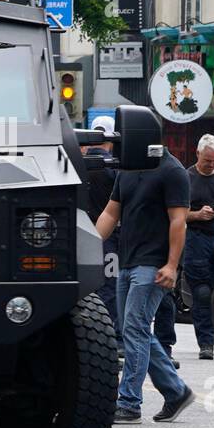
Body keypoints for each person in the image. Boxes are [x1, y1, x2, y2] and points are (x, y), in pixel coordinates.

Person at [95, 148, 196, 424]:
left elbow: (179, 221)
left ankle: (129, 403)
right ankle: (176, 392)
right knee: (135, 330)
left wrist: (172, 265)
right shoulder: (127, 169)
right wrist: (88, 247)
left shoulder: (172, 170)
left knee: (134, 328)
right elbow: (110, 213)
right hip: (127, 262)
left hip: (154, 264)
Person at [184, 134, 214, 360]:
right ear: (198, 154)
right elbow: (176, 214)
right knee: (202, 293)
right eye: (207, 161)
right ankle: (205, 343)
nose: (211, 165)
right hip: (197, 239)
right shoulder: (186, 177)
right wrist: (196, 215)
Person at [81, 114, 120, 345]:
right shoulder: (114, 170)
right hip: (110, 237)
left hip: (82, 235)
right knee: (110, 286)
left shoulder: (77, 166)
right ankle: (110, 338)